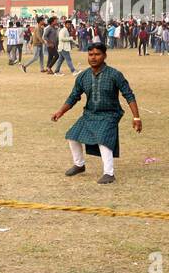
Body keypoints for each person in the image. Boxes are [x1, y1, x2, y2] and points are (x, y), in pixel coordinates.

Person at [51, 43, 141, 184]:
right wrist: (60, 112)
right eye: (91, 54)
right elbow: (74, 96)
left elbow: (129, 95)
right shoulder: (83, 76)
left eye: (97, 54)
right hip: (90, 114)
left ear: (104, 56)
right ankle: (79, 165)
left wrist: (136, 117)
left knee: (103, 140)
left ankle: (109, 173)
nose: (93, 57)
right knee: (72, 137)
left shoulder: (114, 74)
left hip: (110, 114)